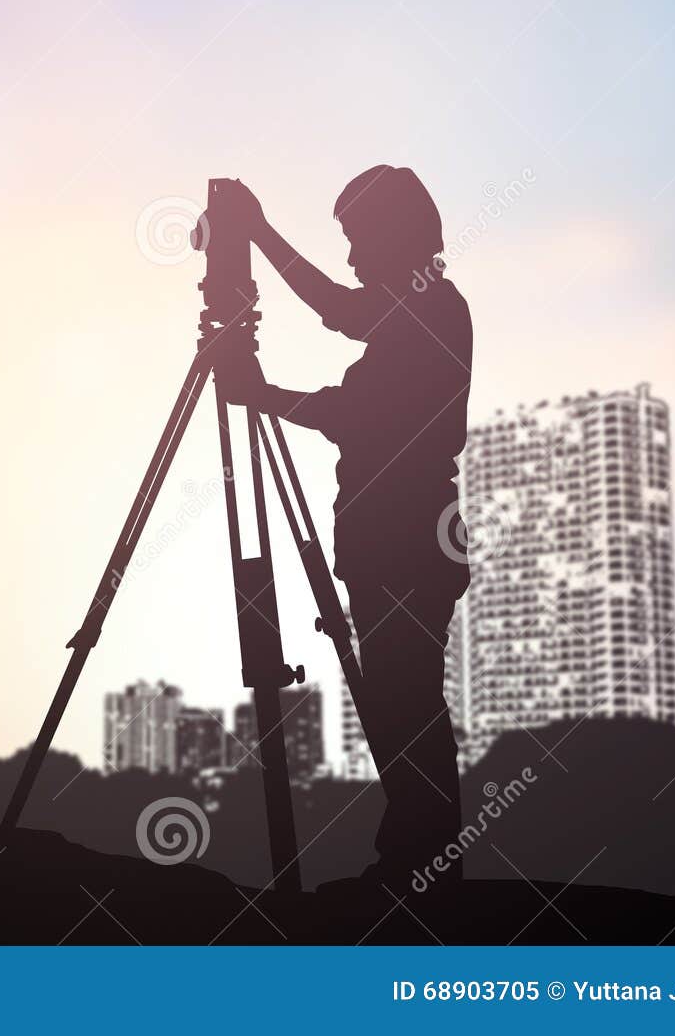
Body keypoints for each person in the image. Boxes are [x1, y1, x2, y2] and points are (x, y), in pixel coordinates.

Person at [220, 165, 473, 889]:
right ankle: (418, 855)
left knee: (405, 699)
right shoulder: (417, 309)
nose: (355, 259)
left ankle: (422, 863)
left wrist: (260, 395)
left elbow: (356, 409)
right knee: (400, 698)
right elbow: (344, 313)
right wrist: (261, 233)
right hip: (395, 540)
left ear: (397, 239)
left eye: (360, 242)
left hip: (406, 542)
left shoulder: (433, 310)